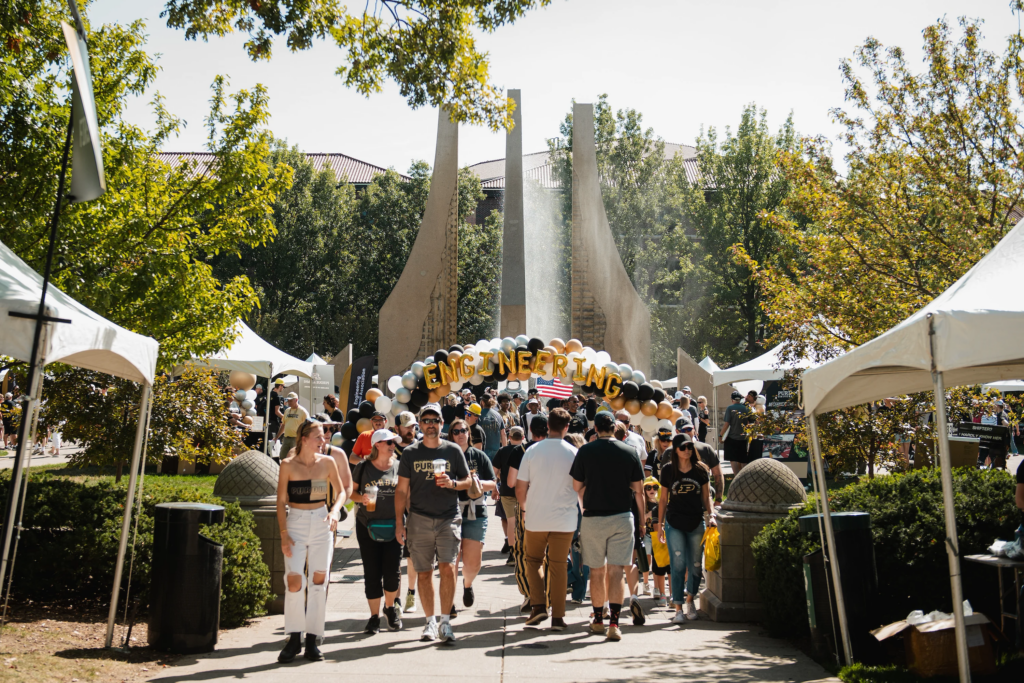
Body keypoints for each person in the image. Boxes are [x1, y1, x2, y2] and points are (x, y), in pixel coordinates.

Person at [395, 403, 471, 643]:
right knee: (424, 572)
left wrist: (453, 484)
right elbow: (401, 490)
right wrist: (399, 523)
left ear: (441, 423)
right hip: (419, 518)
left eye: (434, 420)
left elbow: (468, 481)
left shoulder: (452, 450)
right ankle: (430, 622)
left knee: (448, 569)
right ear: (420, 424)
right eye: (426, 420)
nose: (430, 424)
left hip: (448, 517)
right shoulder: (410, 453)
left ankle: (445, 622)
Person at [276, 419, 349, 663]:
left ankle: (313, 640)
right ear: (304, 439)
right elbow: (280, 502)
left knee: (319, 581)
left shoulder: (327, 462)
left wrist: (335, 510)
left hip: (321, 521)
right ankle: (293, 637)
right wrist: (284, 534)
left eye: (324, 435)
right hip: (295, 523)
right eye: (318, 436)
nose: (323, 440)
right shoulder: (288, 465)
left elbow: (341, 491)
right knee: (294, 581)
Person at [570, 412, 645, 641]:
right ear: (615, 428)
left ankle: (597, 620)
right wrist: (642, 521)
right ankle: (614, 623)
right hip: (622, 516)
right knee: (616, 571)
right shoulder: (629, 451)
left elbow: (576, 485)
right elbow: (638, 489)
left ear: (596, 428)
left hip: (593, 516)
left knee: (596, 571)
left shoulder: (585, 451)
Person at [515, 408, 578, 630]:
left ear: (548, 425)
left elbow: (520, 488)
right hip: (565, 518)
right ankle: (558, 617)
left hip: (537, 516)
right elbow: (580, 487)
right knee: (559, 566)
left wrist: (525, 510)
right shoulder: (574, 452)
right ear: (567, 427)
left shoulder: (532, 451)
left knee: (533, 560)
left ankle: (538, 606)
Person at [658, 435, 716, 624]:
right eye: (683, 447)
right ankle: (678, 608)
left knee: (696, 565)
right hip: (674, 522)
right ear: (675, 450)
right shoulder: (668, 470)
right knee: (678, 564)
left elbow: (707, 497)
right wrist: (659, 525)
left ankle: (690, 600)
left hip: (695, 521)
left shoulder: (701, 469)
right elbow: (663, 499)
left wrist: (711, 514)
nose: (687, 450)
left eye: (690, 446)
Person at [351, 429, 404, 634]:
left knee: (392, 572)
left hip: (394, 525)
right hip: (367, 525)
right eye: (389, 442)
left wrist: (405, 522)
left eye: (394, 442)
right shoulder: (363, 467)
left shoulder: (400, 466)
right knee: (372, 571)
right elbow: (350, 492)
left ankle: (389, 608)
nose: (393, 446)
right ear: (377, 445)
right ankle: (374, 617)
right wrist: (361, 498)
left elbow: (406, 495)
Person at [447, 418, 497, 615]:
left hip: (475, 512)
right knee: (451, 561)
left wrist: (477, 483)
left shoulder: (479, 455)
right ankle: (448, 601)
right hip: (450, 512)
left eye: (463, 430)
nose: (460, 434)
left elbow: (493, 482)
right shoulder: (445, 455)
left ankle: (467, 585)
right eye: (456, 431)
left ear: (469, 433)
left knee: (473, 563)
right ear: (451, 435)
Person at [393, 411, 421, 613]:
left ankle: (411, 593)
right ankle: (395, 598)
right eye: (407, 426)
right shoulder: (389, 447)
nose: (411, 429)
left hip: (415, 508)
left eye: (413, 426)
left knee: (412, 555)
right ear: (397, 428)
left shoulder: (421, 447)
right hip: (393, 506)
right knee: (394, 555)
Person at [494, 426, 526, 557]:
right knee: (524, 521)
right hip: (525, 491)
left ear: (509, 437)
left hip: (507, 491)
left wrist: (494, 488)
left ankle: (513, 554)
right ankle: (524, 550)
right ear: (523, 437)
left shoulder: (502, 451)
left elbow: (494, 472)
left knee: (511, 521)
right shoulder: (527, 450)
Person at [641, 476, 668, 605]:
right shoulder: (643, 503)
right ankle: (646, 583)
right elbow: (640, 518)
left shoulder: (660, 502)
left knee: (658, 561)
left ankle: (657, 587)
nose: (652, 490)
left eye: (655, 487)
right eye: (648, 487)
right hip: (647, 535)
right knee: (647, 560)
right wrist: (647, 515)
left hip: (658, 535)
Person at [721, 391, 752, 474]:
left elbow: (727, 423)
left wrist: (720, 435)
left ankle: (736, 476)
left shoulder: (730, 408)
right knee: (743, 459)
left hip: (732, 437)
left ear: (732, 399)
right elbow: (750, 422)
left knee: (733, 459)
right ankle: (745, 476)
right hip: (743, 437)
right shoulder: (746, 408)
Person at [278, 393, 310, 460]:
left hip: (296, 439)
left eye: (291, 400)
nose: (289, 402)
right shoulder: (287, 411)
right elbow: (283, 425)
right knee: (282, 457)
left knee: (294, 458)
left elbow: (308, 425)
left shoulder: (302, 411)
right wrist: (276, 437)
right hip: (286, 438)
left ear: (296, 400)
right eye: (288, 400)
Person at [476, 394, 507, 462]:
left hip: (482, 449)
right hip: (496, 449)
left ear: (482, 402)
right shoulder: (498, 415)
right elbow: (503, 433)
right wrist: (505, 450)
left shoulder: (478, 414)